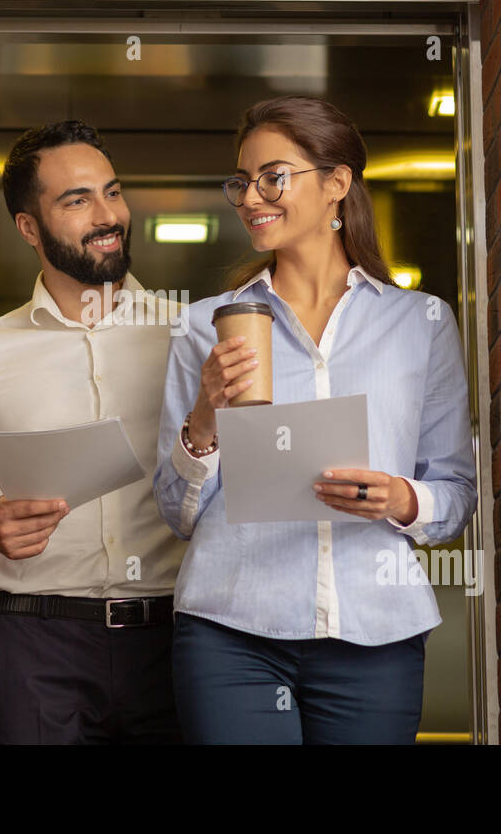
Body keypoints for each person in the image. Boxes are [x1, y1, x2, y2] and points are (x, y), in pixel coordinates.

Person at [153, 95, 478, 744]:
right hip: (230, 630)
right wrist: (204, 414)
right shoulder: (204, 326)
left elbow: (456, 493)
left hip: (375, 628)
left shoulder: (420, 324)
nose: (250, 199)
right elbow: (178, 513)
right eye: (241, 183)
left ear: (336, 184)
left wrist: (402, 497)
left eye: (273, 177)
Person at [0, 119, 186, 744]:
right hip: (36, 650)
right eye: (77, 200)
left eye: (112, 192)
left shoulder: (193, 337)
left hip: (182, 643)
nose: (107, 214)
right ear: (28, 227)